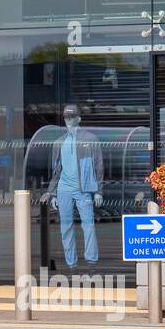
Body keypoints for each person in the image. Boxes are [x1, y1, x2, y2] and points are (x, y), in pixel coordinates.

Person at [42, 104, 104, 269]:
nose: (69, 119)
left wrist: (98, 191)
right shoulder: (58, 143)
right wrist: (53, 193)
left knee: (88, 224)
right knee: (66, 226)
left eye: (72, 116)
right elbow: (56, 170)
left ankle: (91, 260)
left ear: (79, 118)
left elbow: (99, 166)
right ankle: (71, 263)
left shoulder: (90, 139)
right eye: (66, 117)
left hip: (83, 189)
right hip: (64, 190)